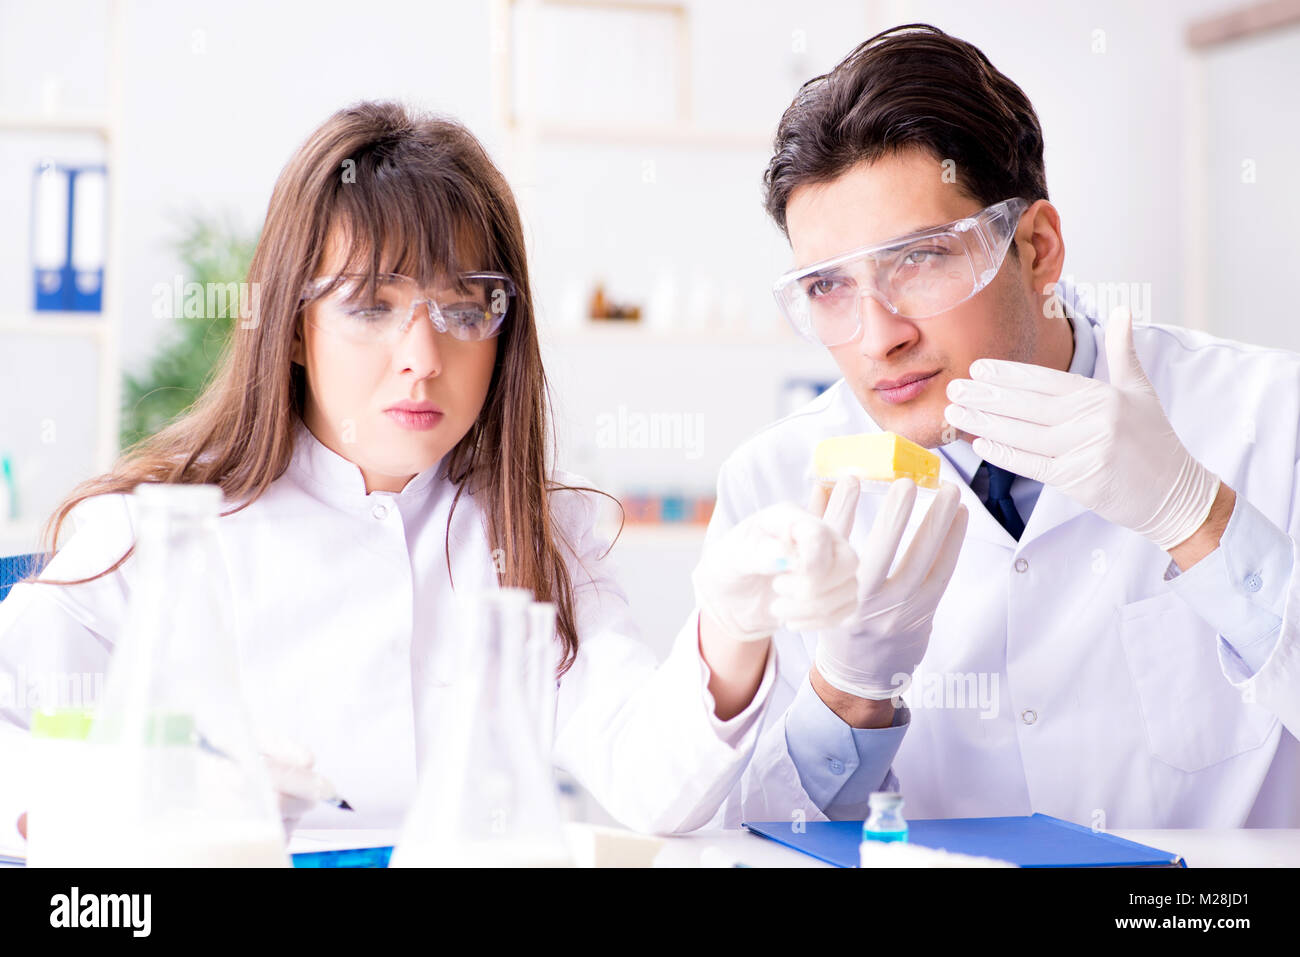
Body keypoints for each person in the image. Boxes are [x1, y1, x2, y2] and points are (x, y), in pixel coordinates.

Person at [0, 101, 862, 844]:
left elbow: (652, 781)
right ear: (293, 329)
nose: (421, 357)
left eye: (461, 307)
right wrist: (168, 791)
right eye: (372, 306)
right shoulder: (157, 526)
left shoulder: (533, 536)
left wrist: (734, 625)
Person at [700, 23, 1299, 829]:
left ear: (1038, 248)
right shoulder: (775, 486)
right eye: (829, 287)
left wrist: (1200, 520)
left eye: (919, 258)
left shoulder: (1270, 416)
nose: (879, 337)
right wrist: (848, 694)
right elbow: (742, 835)